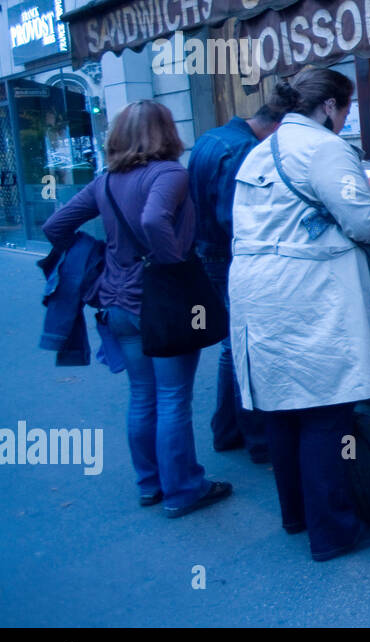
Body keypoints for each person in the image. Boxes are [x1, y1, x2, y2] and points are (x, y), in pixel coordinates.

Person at [229, 67, 370, 561]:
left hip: (257, 291)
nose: (345, 121)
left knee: (285, 410)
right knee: (327, 412)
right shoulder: (324, 148)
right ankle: (335, 531)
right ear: (329, 106)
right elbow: (363, 219)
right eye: (345, 110)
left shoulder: (262, 150)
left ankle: (297, 515)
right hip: (307, 292)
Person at [43, 100, 233, 517]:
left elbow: (54, 227)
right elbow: (152, 220)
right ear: (166, 131)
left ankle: (150, 484)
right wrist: (168, 260)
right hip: (160, 301)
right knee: (172, 398)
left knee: (143, 396)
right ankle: (183, 489)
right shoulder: (168, 173)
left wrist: (98, 257)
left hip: (116, 303)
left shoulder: (106, 181)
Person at [188, 103, 285, 463]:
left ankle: (226, 430)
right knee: (245, 347)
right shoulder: (244, 150)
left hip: (207, 250)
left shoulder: (210, 138)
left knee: (233, 346)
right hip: (229, 255)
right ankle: (257, 437)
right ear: (275, 127)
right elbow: (235, 215)